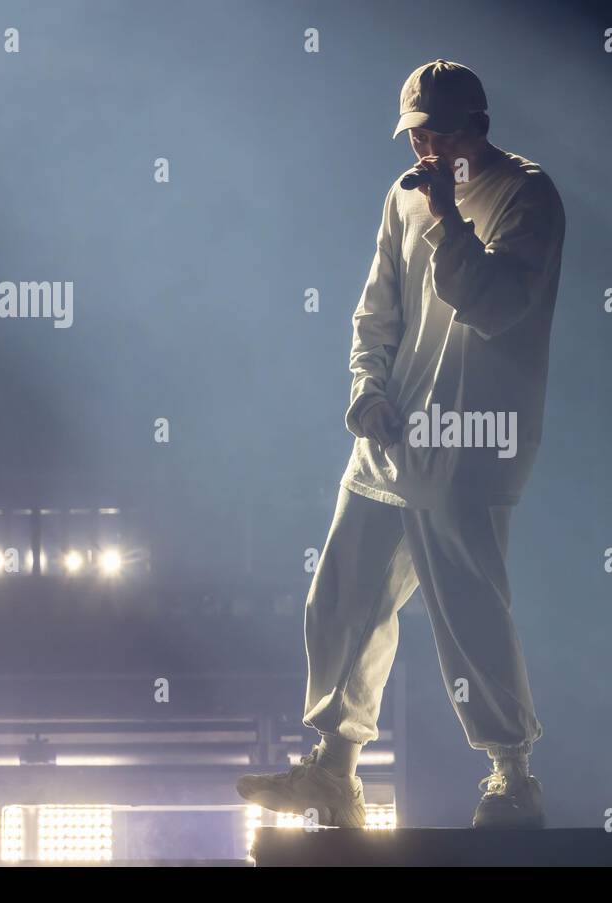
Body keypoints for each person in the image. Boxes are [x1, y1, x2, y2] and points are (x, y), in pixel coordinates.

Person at [236, 59, 566, 829]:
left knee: (467, 608)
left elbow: (491, 306)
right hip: (396, 433)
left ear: (478, 129)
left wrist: (450, 216)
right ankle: (333, 769)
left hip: (473, 437)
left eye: (438, 133)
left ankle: (512, 775)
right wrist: (366, 388)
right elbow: (378, 302)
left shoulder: (527, 196)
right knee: (341, 596)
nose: (423, 149)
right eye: (415, 133)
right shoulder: (404, 193)